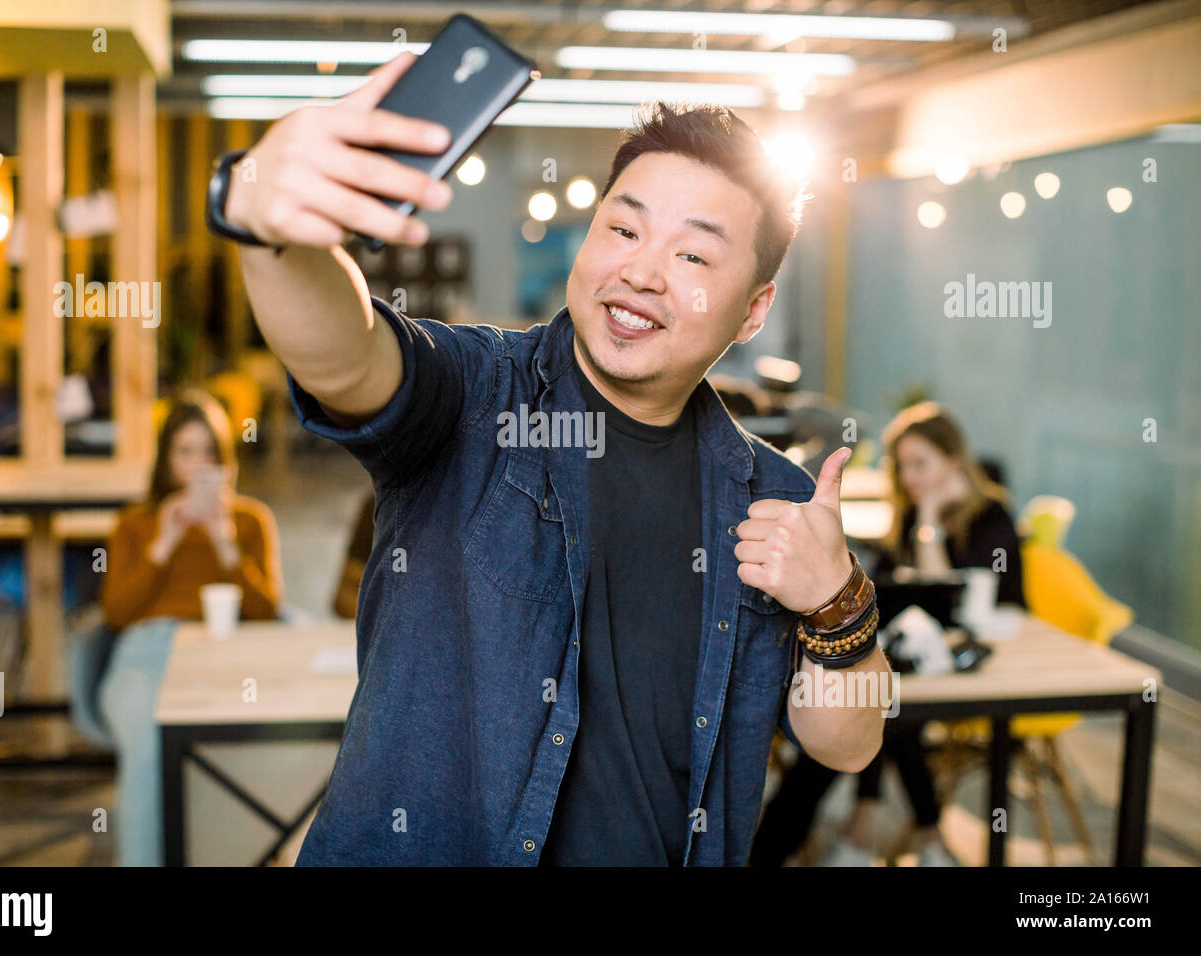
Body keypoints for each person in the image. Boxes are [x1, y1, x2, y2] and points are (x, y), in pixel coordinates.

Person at [219, 50, 891, 866]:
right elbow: (344, 359)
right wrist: (261, 221)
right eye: (623, 227)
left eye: (693, 256)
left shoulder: (774, 498)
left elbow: (847, 746)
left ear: (751, 313)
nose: (640, 271)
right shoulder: (473, 395)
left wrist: (837, 605)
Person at [750, 401, 1025, 867]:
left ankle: (821, 839)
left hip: (995, 666)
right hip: (923, 665)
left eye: (922, 463)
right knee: (881, 701)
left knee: (878, 704)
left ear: (954, 461)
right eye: (902, 465)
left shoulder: (989, 515)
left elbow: (955, 600)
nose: (910, 477)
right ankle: (925, 838)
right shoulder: (911, 514)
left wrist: (932, 524)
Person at [98, 389, 281, 865]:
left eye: (208, 452)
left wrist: (224, 545)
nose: (198, 465)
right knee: (145, 740)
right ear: (165, 460)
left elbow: (267, 613)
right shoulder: (137, 524)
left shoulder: (249, 521)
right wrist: (164, 543)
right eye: (185, 451)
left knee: (255, 742)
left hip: (226, 651)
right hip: (149, 647)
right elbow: (115, 614)